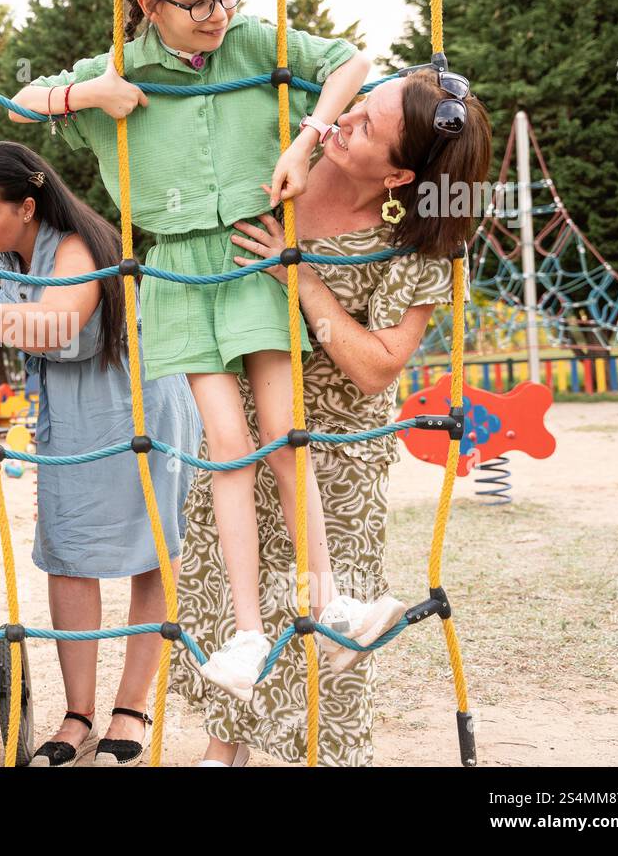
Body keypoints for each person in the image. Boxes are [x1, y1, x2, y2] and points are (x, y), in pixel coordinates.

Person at [8, 0, 400, 700]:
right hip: (178, 271)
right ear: (150, 6)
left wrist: (305, 141)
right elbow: (19, 103)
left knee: (285, 438)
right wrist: (93, 92)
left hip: (255, 253)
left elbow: (352, 61)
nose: (219, 12)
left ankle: (331, 605)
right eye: (198, 1)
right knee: (226, 447)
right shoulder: (119, 69)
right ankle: (248, 636)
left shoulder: (252, 43)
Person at [171, 64, 494, 766]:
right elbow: (335, 68)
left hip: (336, 452)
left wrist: (301, 278)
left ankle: (330, 756)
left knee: (326, 615)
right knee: (234, 596)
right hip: (244, 428)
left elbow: (378, 367)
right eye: (361, 107)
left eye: (367, 125)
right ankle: (222, 751)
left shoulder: (423, 240)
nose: (346, 121)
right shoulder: (299, 149)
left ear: (399, 176)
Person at [0, 141, 201, 766]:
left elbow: (55, 327)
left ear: (27, 207)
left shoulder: (78, 248)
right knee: (67, 552)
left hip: (138, 406)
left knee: (152, 552)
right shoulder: (5, 253)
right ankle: (78, 713)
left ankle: (132, 707)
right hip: (70, 417)